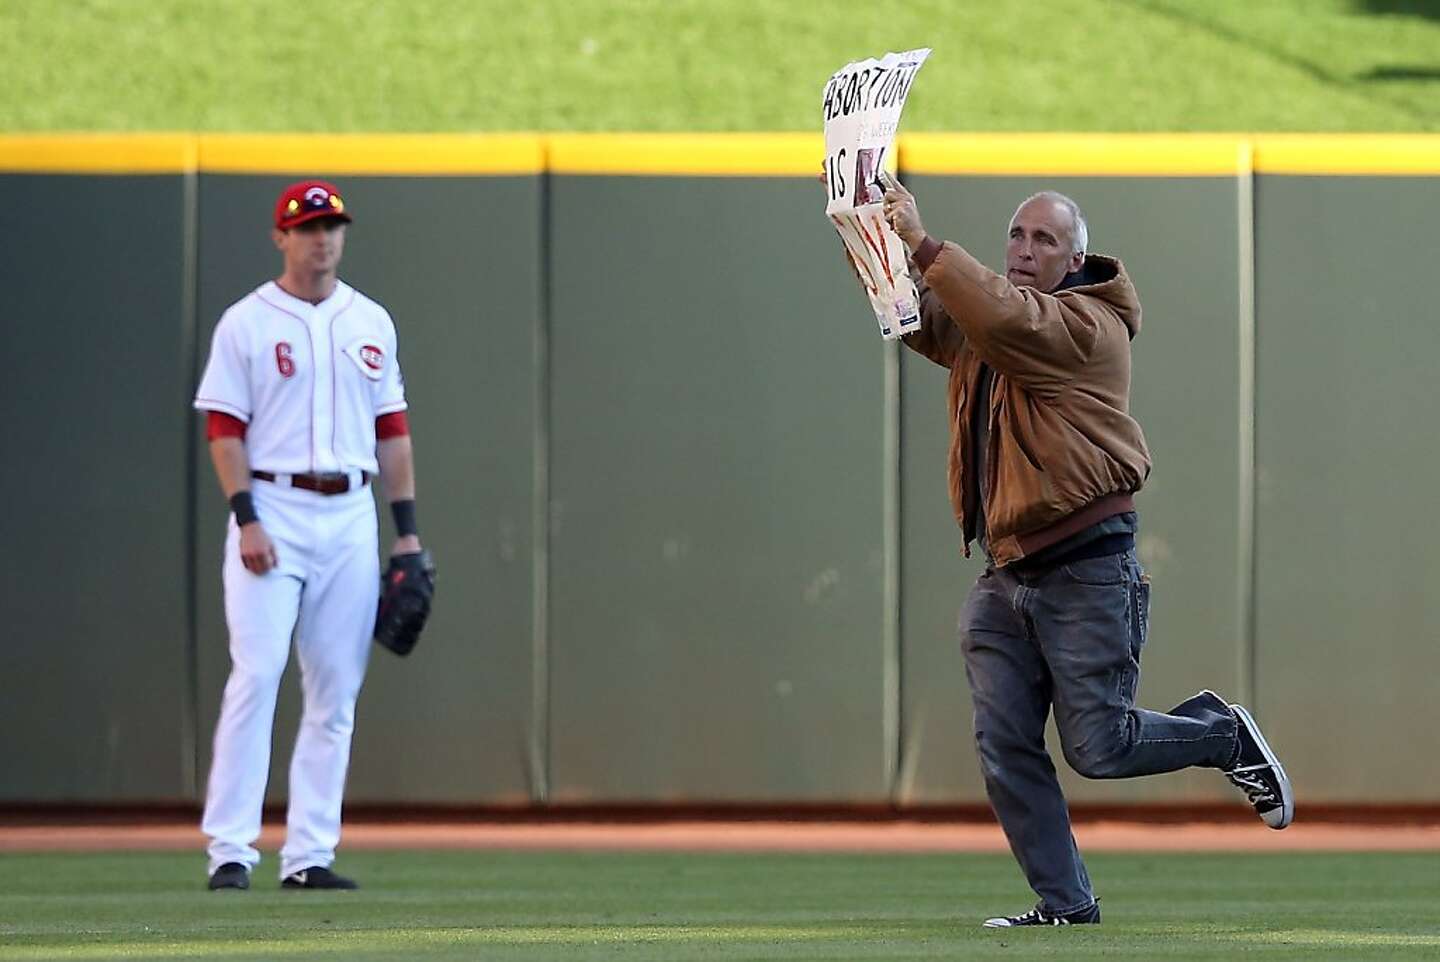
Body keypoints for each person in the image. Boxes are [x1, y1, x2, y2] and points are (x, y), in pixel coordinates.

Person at [879, 177, 1293, 927]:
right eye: (1017, 234)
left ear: (1074, 261)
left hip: (1085, 566)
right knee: (1004, 745)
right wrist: (865, 229)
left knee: (1100, 748)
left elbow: (1004, 319)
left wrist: (923, 242)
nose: (1025, 249)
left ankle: (1224, 735)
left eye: (1045, 240)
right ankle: (1065, 903)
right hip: (1005, 574)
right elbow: (919, 320)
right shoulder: (995, 317)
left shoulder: (1085, 326)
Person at [194, 180, 424, 891]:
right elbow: (223, 430)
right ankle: (230, 849)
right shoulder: (246, 322)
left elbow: (393, 431)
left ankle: (309, 856)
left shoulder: (371, 321)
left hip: (351, 513)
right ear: (281, 237)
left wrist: (406, 534)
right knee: (256, 676)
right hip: (274, 506)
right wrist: (246, 517)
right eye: (308, 226)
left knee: (335, 692)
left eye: (331, 226)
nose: (322, 238)